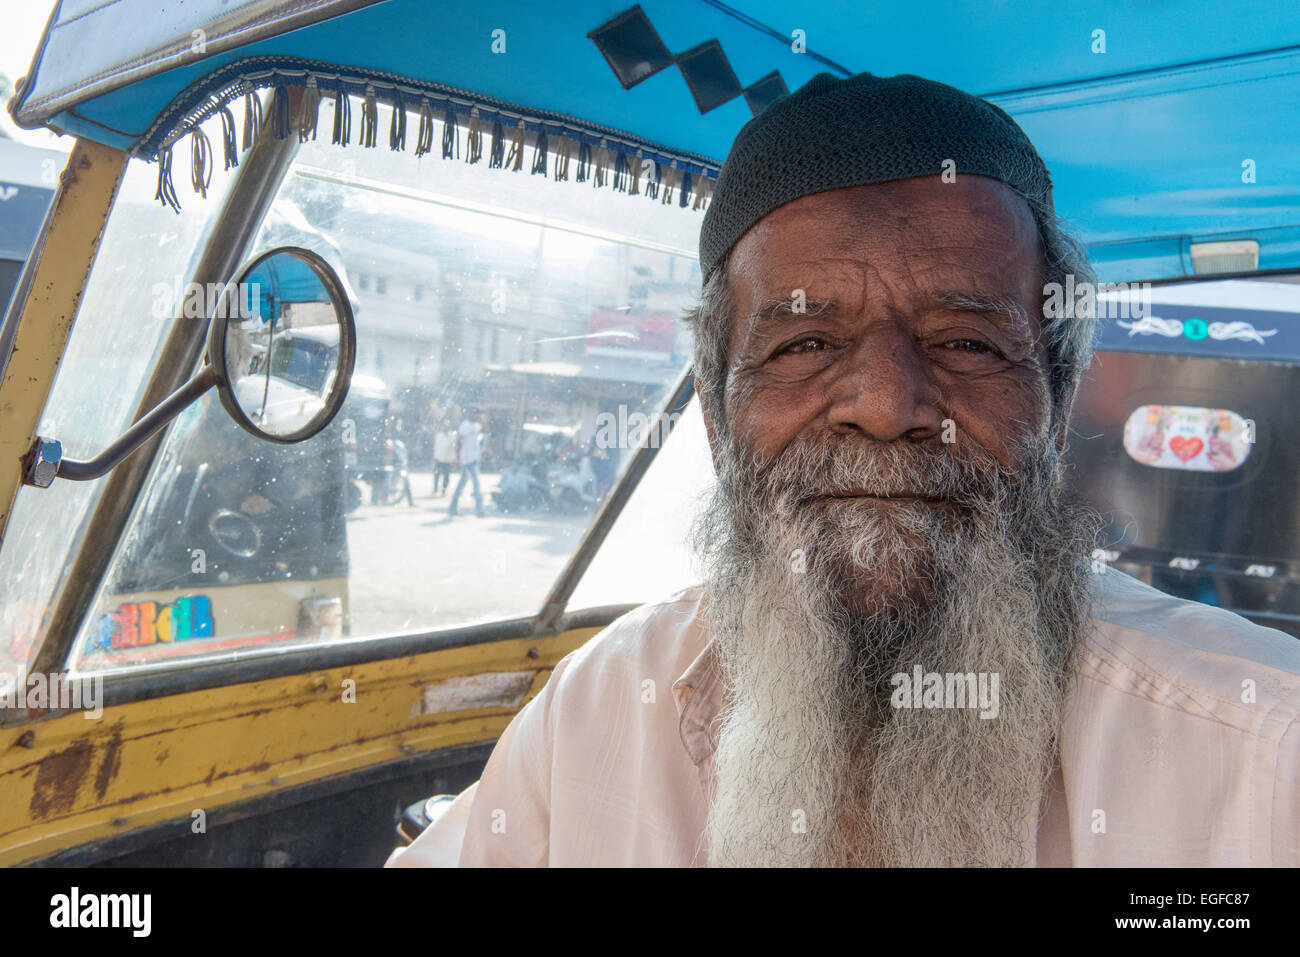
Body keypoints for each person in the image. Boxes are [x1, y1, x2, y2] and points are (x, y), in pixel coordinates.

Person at [391, 73, 1300, 868]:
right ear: (716, 417)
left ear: (1056, 410)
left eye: (967, 340)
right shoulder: (596, 717)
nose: (885, 401)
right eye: (806, 342)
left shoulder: (1261, 755)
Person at [447, 408, 484, 518]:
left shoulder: (477, 426)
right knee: (476, 484)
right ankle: (479, 509)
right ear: (470, 413)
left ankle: (452, 507)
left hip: (474, 458)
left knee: (462, 484)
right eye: (474, 413)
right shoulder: (465, 425)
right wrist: (457, 457)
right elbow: (459, 441)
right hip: (466, 458)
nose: (476, 415)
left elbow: (479, 441)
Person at [432, 420, 456, 496]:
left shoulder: (452, 436)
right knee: (437, 475)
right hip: (439, 458)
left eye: (447, 426)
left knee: (446, 477)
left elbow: (454, 447)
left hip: (448, 459)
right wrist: (434, 456)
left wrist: (454, 457)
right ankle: (435, 490)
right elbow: (436, 446)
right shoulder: (439, 435)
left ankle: (444, 491)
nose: (446, 428)